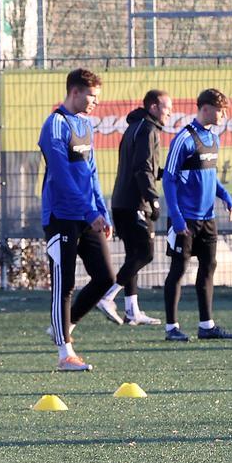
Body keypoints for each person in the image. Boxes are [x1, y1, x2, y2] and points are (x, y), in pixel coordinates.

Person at [38, 68, 114, 370]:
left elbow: (90, 172)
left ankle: (64, 326)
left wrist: (101, 212)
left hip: (87, 215)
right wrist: (89, 212)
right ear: (75, 92)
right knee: (64, 284)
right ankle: (64, 354)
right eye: (91, 96)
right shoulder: (54, 125)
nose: (95, 102)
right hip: (62, 217)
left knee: (106, 278)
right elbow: (62, 175)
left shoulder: (84, 124)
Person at [162, 89, 232, 342]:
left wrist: (225, 196)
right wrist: (177, 217)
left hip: (208, 218)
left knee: (208, 268)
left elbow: (210, 176)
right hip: (185, 220)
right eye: (220, 109)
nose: (223, 115)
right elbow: (169, 179)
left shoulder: (213, 139)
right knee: (178, 269)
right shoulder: (183, 139)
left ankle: (206, 326)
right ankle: (171, 327)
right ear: (205, 108)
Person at [96, 89, 171, 326]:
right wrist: (153, 199)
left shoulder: (133, 127)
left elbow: (144, 166)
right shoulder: (148, 129)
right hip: (134, 203)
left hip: (121, 202)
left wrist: (166, 173)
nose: (170, 113)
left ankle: (132, 311)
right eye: (167, 108)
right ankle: (108, 297)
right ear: (154, 107)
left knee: (133, 256)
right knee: (145, 253)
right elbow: (142, 169)